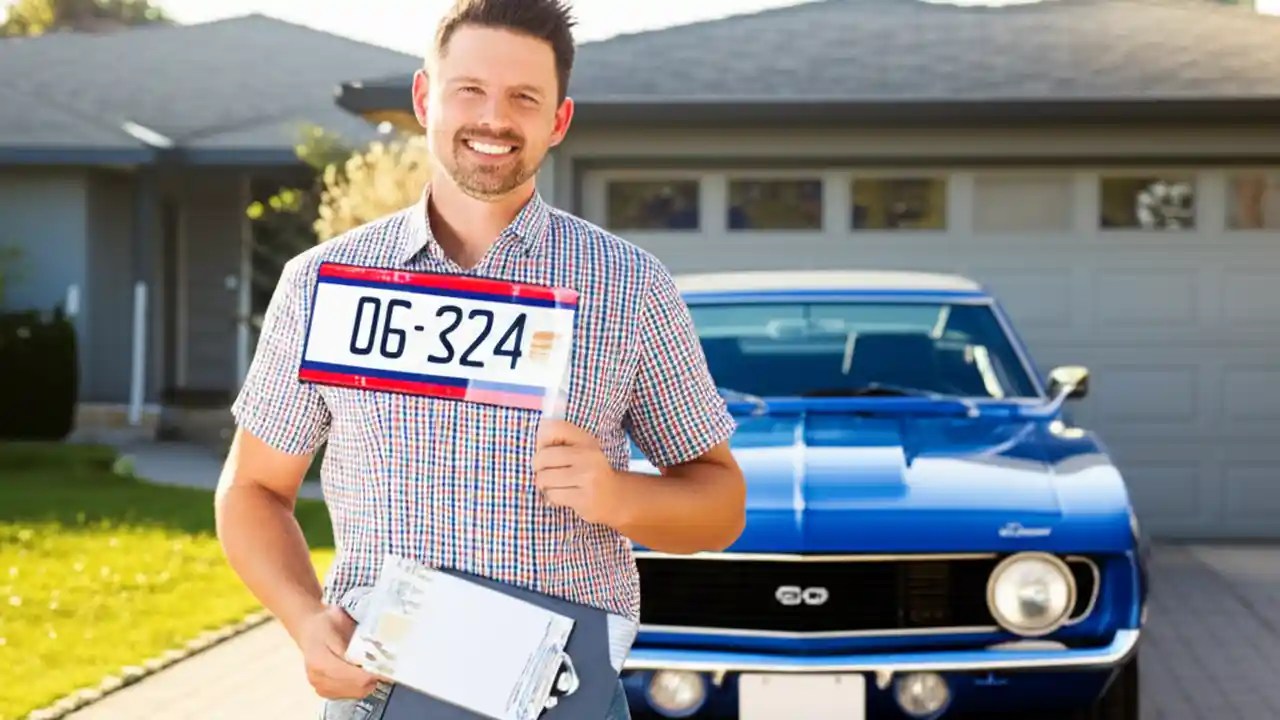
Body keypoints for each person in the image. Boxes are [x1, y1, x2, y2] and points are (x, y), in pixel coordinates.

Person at [212, 1, 746, 718]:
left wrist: (617, 494)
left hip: (565, 699)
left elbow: (721, 505)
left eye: (524, 97)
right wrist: (307, 621)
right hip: (381, 698)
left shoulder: (628, 286)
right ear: (425, 98)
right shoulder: (325, 285)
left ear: (558, 120)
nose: (493, 119)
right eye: (470, 90)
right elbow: (252, 491)